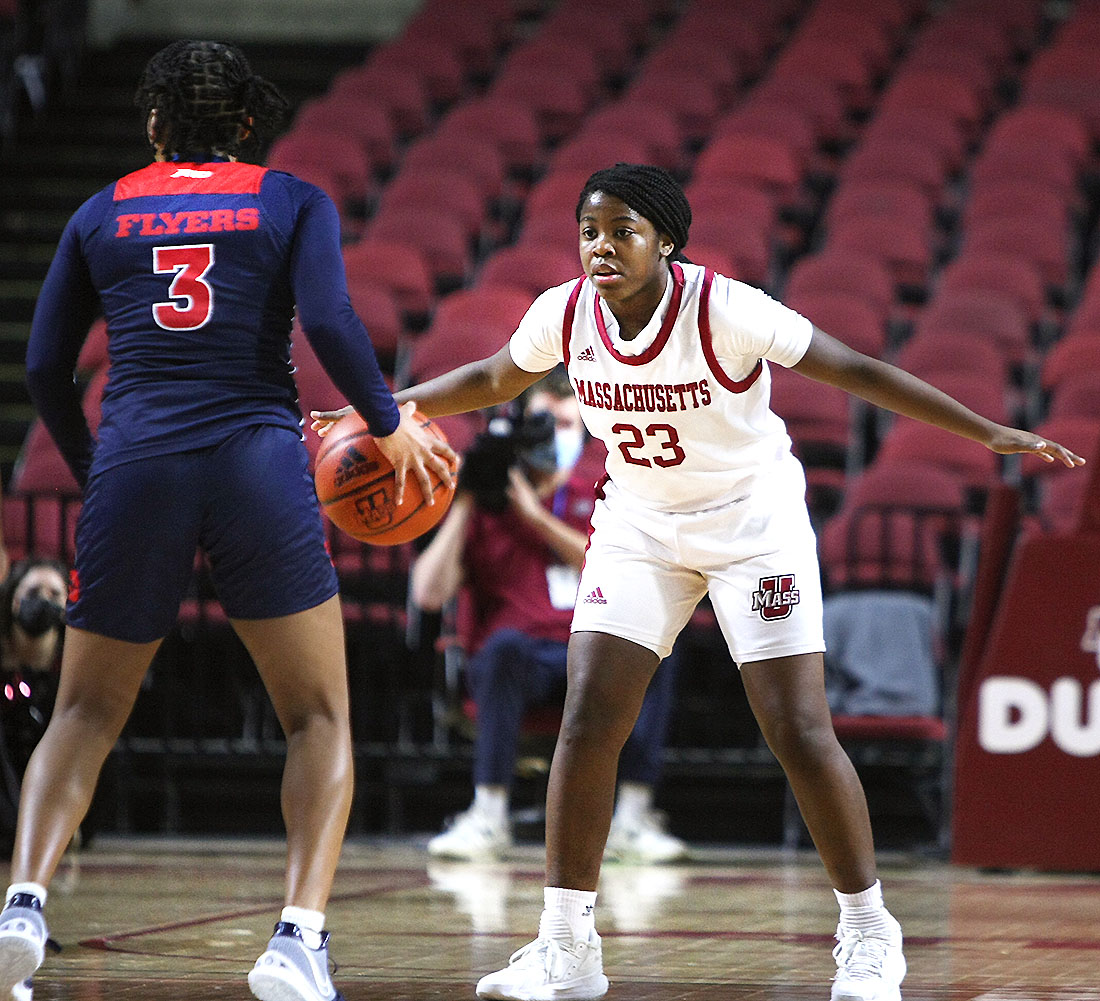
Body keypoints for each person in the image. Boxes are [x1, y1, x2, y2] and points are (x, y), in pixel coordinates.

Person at [313, 162, 1085, 1001]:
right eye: (589, 233)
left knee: (796, 725)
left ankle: (869, 934)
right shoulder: (565, 312)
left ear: (666, 242)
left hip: (754, 526)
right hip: (639, 524)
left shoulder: (725, 307)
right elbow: (496, 378)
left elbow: (855, 368)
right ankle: (566, 946)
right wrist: (385, 410)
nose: (600, 248)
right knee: (587, 719)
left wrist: (985, 431)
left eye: (621, 233)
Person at [0, 39, 454, 1001]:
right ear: (248, 122)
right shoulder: (291, 199)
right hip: (254, 456)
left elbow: (43, 368)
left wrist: (97, 471)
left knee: (80, 714)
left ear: (154, 125)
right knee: (319, 715)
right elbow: (330, 321)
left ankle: (23, 904)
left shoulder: (101, 209)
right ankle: (296, 938)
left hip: (136, 461)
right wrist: (387, 423)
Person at [413, 366, 686, 865]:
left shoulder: (607, 486)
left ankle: (632, 819)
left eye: (565, 425)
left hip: (594, 649)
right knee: (503, 649)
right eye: (543, 423)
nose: (553, 436)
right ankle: (488, 813)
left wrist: (536, 517)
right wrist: (467, 498)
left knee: (655, 650)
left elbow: (605, 560)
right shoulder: (487, 500)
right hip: (523, 658)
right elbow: (429, 595)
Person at [0, 558, 68, 859]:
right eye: (33, 592)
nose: (43, 601)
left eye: (55, 595)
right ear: (14, 601)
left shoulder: (70, 673)